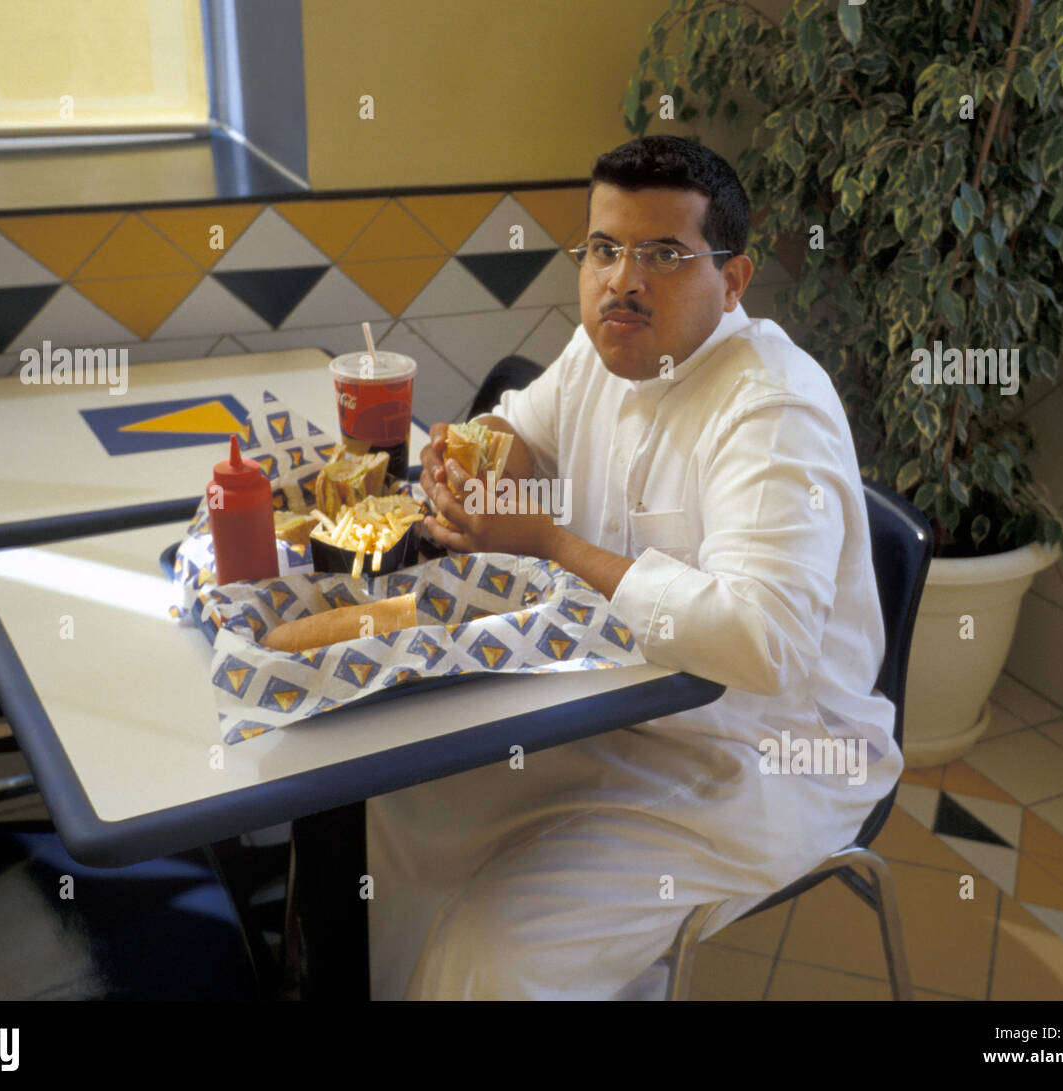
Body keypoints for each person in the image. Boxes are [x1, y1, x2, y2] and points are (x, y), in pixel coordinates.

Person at [365, 134, 902, 1000]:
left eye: (663, 254)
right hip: (614, 706)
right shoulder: (610, 342)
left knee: (495, 955)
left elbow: (763, 642)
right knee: (395, 801)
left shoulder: (773, 408)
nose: (623, 279)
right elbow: (523, 429)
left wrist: (549, 543)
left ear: (731, 280)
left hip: (763, 760)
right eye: (605, 249)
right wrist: (471, 455)